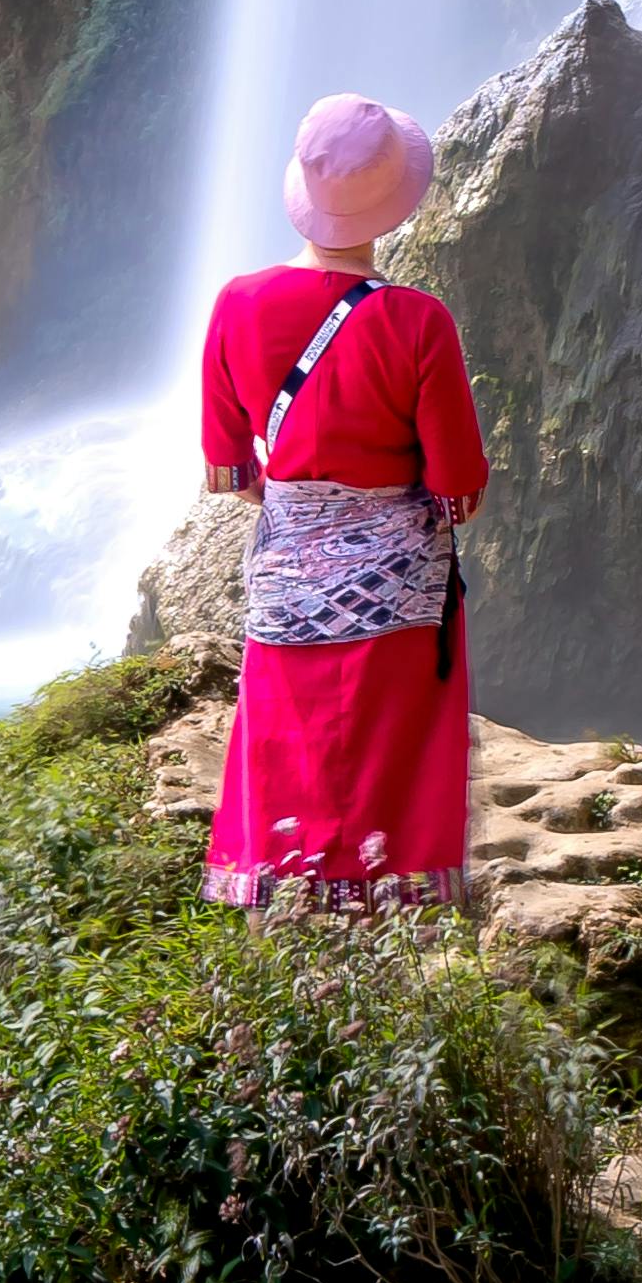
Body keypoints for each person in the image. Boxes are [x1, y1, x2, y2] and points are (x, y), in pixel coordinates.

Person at [197, 90, 489, 912]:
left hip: (286, 581)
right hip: (398, 601)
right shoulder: (419, 321)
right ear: (394, 200)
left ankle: (279, 904)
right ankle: (386, 919)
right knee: (389, 754)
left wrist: (300, 498)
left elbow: (225, 466)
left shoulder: (236, 302)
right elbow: (457, 483)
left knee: (289, 745)